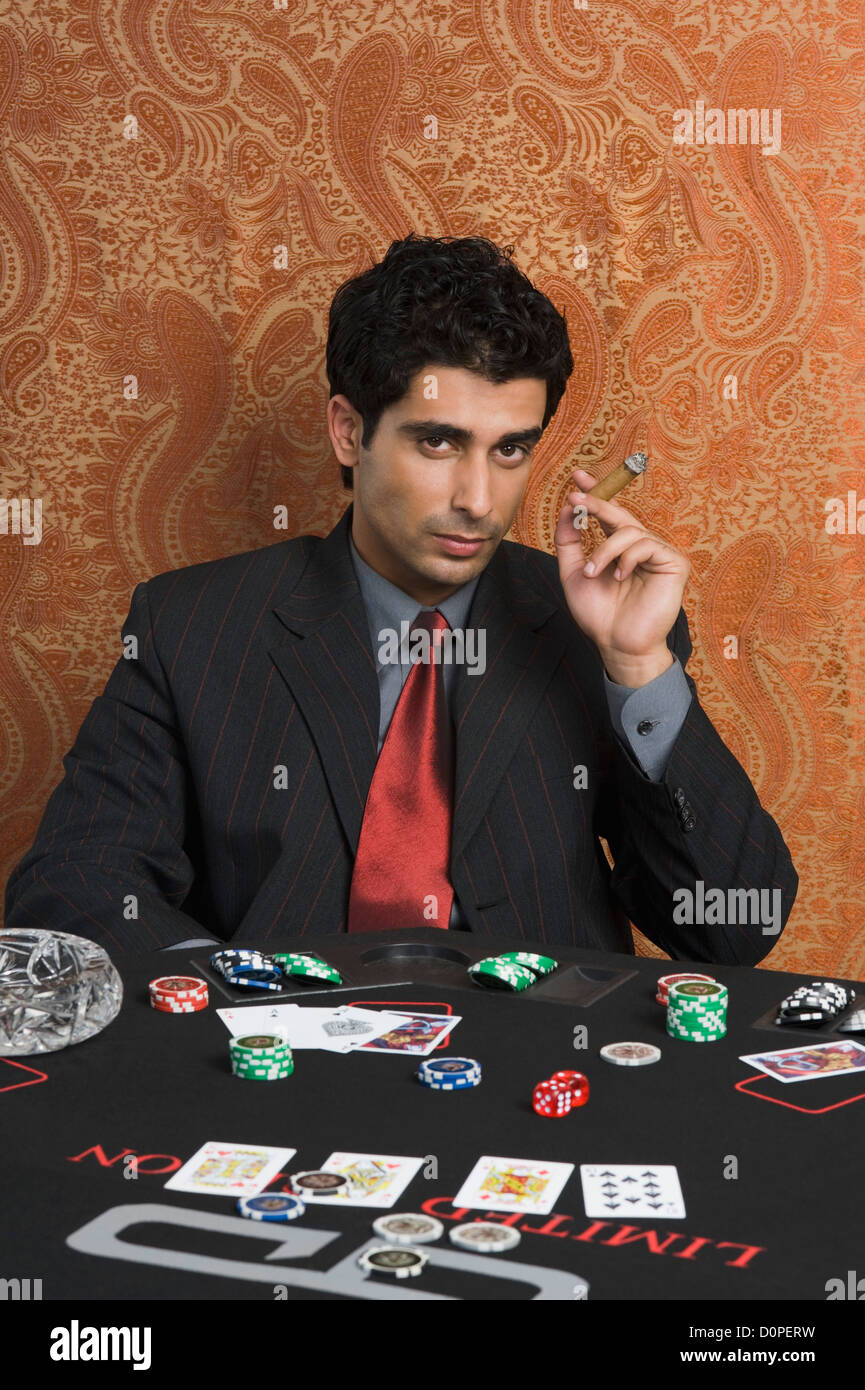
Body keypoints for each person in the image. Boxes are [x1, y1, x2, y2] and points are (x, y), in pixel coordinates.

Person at [4, 234, 797, 961]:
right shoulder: (193, 628)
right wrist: (237, 994)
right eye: (438, 441)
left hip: (538, 1074)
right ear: (349, 432)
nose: (479, 500)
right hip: (280, 1067)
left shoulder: (595, 630)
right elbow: (72, 891)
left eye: (510, 448)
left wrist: (637, 667)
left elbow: (732, 928)